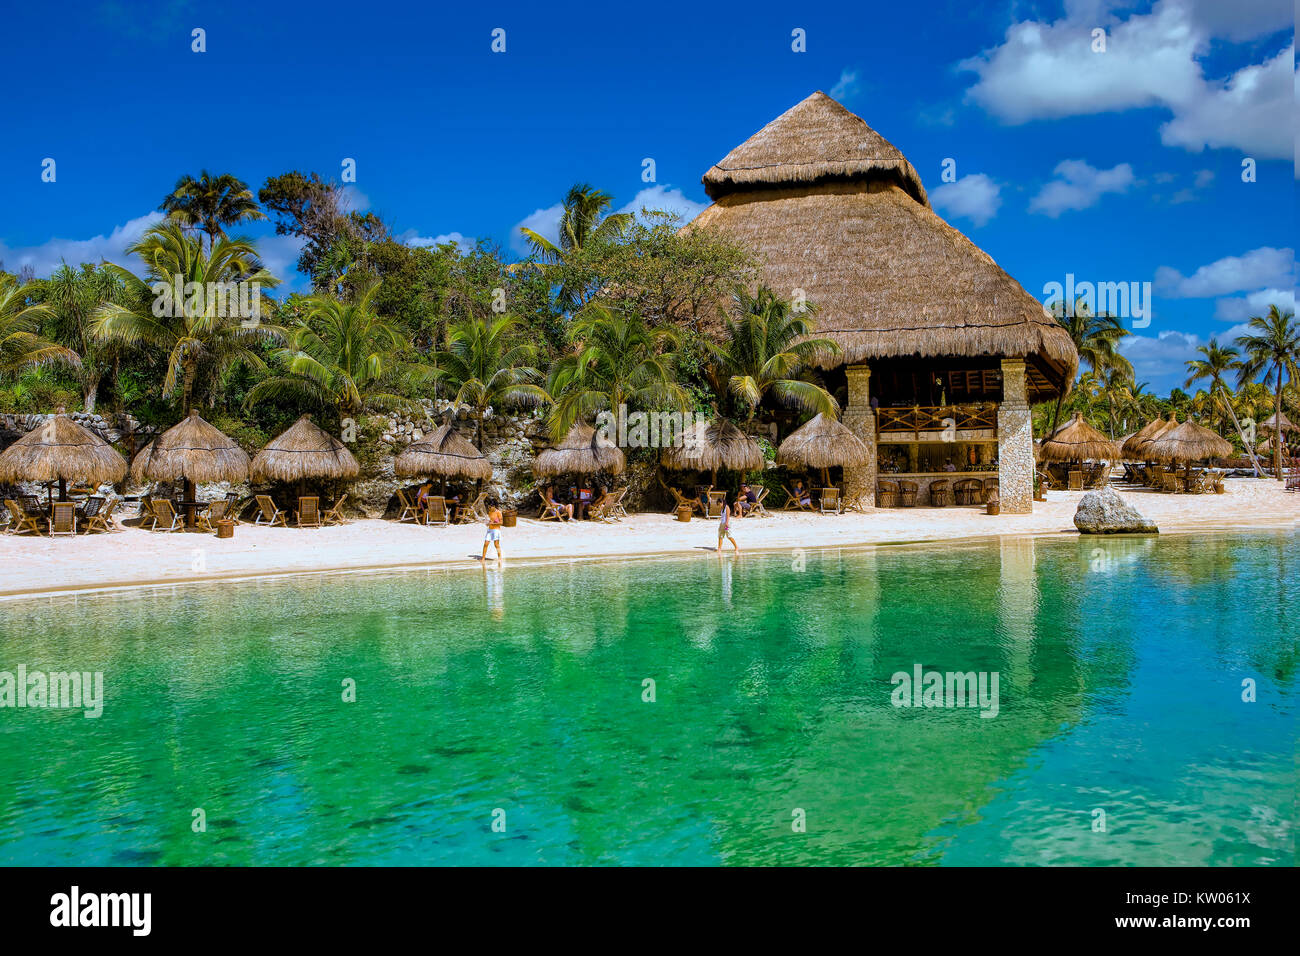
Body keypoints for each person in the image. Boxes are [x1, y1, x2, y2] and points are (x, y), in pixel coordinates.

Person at [481, 498, 504, 565]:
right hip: (490, 530)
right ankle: (483, 558)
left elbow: (501, 523)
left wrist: (492, 523)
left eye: (490, 507)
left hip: (496, 530)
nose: (489, 508)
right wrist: (488, 523)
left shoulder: (498, 512)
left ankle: (500, 558)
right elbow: (491, 520)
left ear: (494, 506)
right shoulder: (490, 512)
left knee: (496, 545)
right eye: (489, 507)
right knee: (485, 544)